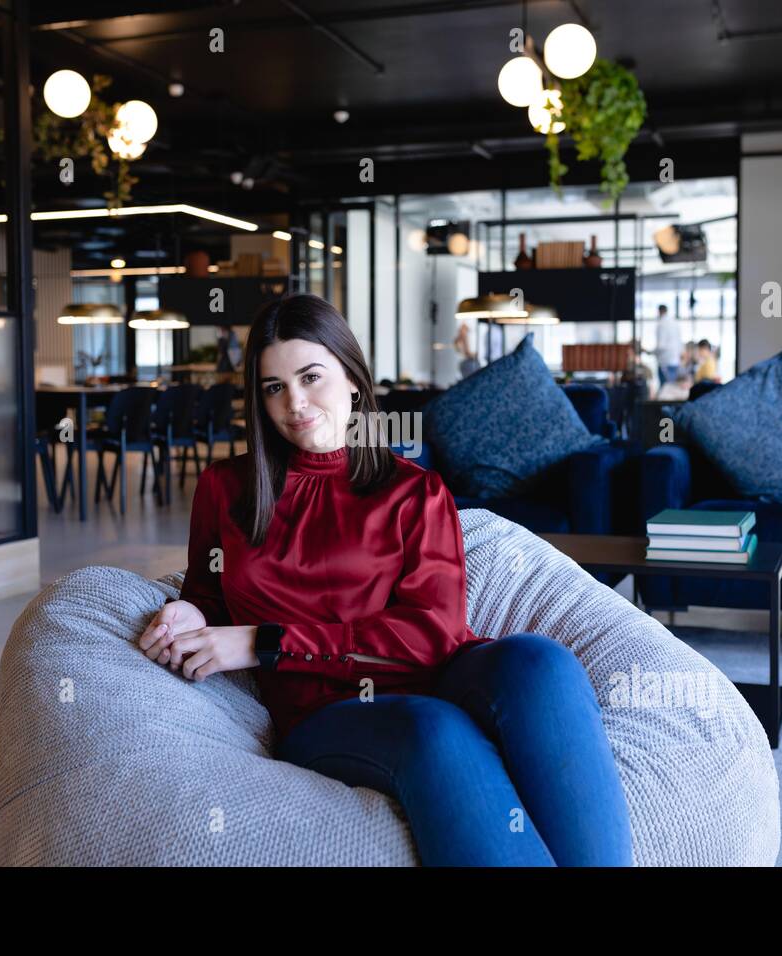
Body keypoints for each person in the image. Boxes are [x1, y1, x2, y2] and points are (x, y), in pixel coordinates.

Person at [136, 293, 633, 867]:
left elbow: (432, 635)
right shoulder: (226, 488)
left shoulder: (414, 490)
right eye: (274, 387)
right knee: (433, 729)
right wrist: (187, 615)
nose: (295, 403)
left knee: (541, 663)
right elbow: (207, 592)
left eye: (311, 377)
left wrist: (264, 641)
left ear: (351, 377)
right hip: (325, 711)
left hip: (438, 675)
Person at [651, 305, 682, 387]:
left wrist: (651, 352)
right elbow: (679, 343)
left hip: (664, 362)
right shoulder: (674, 323)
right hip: (675, 361)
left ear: (659, 311)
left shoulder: (661, 324)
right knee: (672, 387)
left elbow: (661, 346)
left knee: (665, 389)